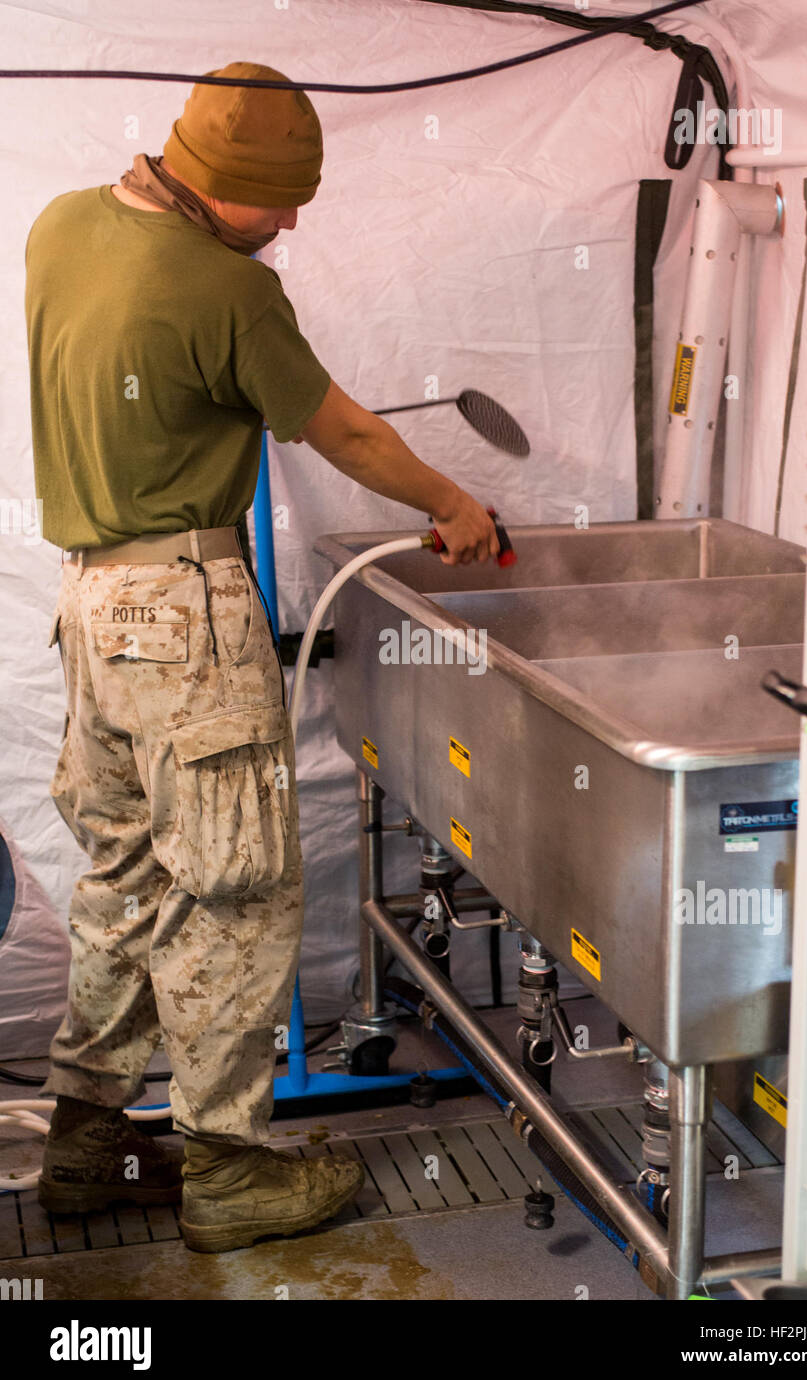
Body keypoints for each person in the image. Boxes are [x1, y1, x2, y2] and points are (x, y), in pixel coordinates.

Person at [25, 60, 498, 1254]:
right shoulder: (227, 292)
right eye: (278, 202)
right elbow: (336, 425)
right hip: (183, 613)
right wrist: (451, 501)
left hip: (89, 607)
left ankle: (84, 1142)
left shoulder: (59, 227)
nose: (290, 223)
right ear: (218, 181)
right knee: (237, 890)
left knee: (125, 880)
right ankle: (229, 1167)